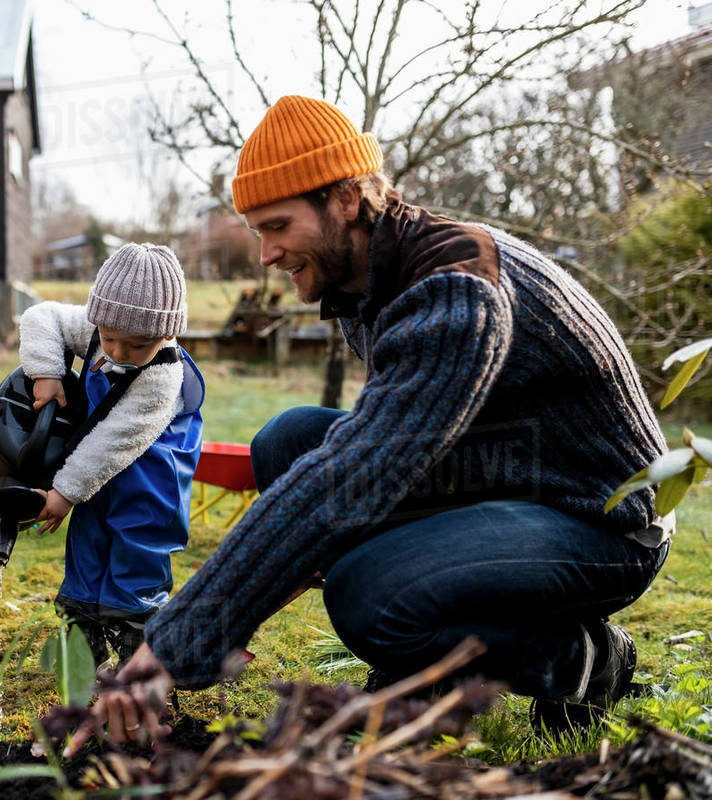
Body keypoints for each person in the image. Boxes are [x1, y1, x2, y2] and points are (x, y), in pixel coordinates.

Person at [67, 95, 671, 751]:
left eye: (277, 227)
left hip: (604, 519)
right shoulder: (366, 278)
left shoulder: (454, 290)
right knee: (288, 441)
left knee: (367, 594)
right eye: (257, 231)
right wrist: (283, 563)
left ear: (347, 200)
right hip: (509, 477)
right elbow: (367, 455)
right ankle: (424, 669)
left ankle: (587, 659)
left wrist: (171, 646)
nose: (265, 254)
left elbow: (353, 475)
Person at [19, 243, 204, 666]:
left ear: (167, 334)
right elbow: (39, 316)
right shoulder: (102, 327)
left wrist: (64, 492)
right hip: (97, 460)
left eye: (136, 345)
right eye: (109, 338)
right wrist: (46, 372)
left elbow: (115, 442)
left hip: (153, 463)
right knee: (92, 525)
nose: (118, 352)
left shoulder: (163, 377)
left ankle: (135, 631)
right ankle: (82, 624)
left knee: (140, 535)